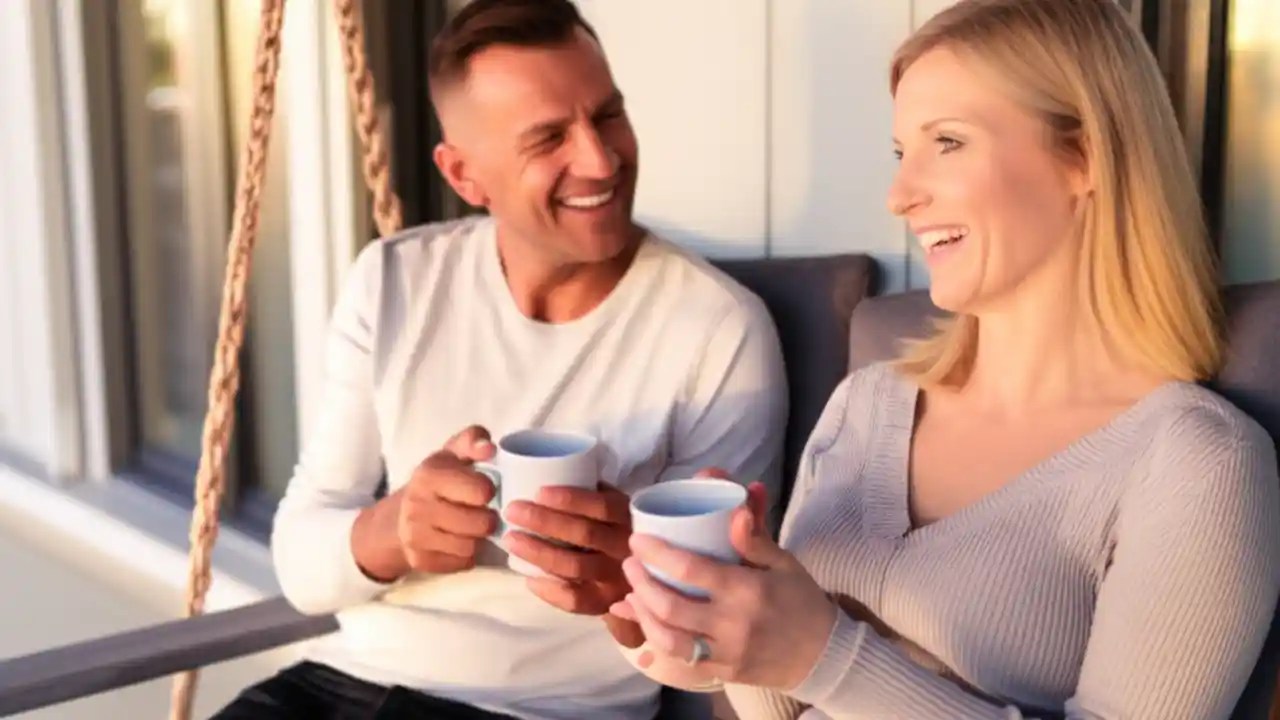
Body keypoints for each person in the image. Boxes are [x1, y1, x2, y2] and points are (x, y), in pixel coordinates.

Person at [612, 0, 1280, 718]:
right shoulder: (866, 405)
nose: (900, 195)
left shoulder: (1195, 463)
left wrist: (824, 654)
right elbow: (779, 704)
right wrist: (705, 612)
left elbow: (822, 664)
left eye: (949, 143)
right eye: (903, 153)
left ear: (1085, 157)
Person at [213, 1, 787, 718]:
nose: (600, 159)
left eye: (607, 115)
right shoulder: (394, 280)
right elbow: (301, 562)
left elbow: (721, 640)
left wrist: (623, 581)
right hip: (330, 690)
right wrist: (396, 530)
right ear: (464, 175)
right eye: (549, 137)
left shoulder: (717, 329)